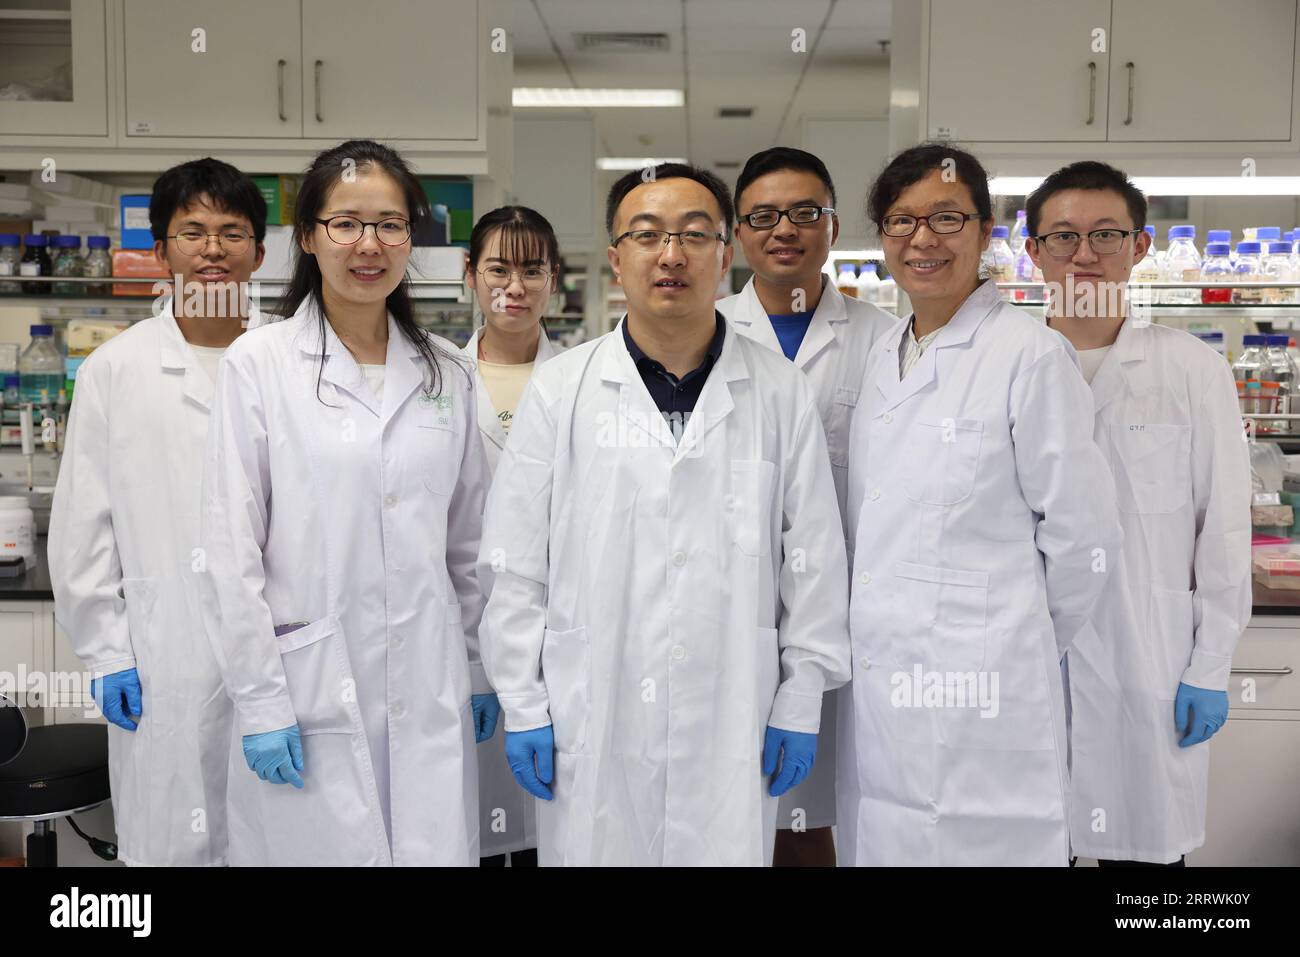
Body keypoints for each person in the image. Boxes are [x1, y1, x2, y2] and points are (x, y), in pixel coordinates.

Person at [477, 163, 851, 866]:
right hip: (593, 711)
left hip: (732, 713)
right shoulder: (562, 390)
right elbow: (515, 564)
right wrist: (524, 704)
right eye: (647, 235)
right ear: (617, 258)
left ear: (724, 252)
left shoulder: (778, 392)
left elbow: (815, 561)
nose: (671, 254)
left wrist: (802, 699)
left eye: (693, 234)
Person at [199, 139, 491, 866]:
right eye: (346, 223)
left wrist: (482, 668)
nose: (370, 244)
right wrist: (264, 705)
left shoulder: (449, 373)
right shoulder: (259, 365)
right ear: (306, 236)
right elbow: (229, 551)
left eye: (391, 224)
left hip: (427, 683)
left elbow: (473, 545)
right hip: (306, 691)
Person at [837, 143, 1122, 866]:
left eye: (946, 218)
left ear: (986, 229)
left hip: (988, 699)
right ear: (881, 237)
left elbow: (1084, 542)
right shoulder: (884, 356)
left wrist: (1009, 639)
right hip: (883, 692)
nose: (922, 239)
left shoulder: (1028, 356)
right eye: (901, 221)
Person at [1025, 161, 1251, 866]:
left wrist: (1211, 665)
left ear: (1141, 245)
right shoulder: (1010, 364)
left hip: (1148, 662)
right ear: (1031, 250)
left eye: (1105, 234)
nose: (1084, 254)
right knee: (1032, 846)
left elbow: (1224, 527)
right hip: (1028, 668)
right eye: (1062, 236)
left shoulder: (1190, 368)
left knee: (1146, 878)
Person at [48, 157, 267, 866]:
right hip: (162, 650)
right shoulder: (116, 369)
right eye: (192, 231)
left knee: (281, 836)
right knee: (175, 839)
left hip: (282, 646)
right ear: (162, 250)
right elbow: (85, 521)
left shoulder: (293, 359)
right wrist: (107, 651)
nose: (212, 248)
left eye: (231, 232)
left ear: (259, 253)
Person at [718, 146, 894, 867]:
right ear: (737, 233)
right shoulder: (706, 334)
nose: (783, 228)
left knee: (823, 820)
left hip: (851, 614)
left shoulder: (886, 340)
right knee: (728, 810)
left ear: (833, 224)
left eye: (803, 212)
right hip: (731, 610)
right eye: (762, 215)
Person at [462, 205, 564, 866]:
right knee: (463, 829)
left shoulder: (584, 381)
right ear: (470, 274)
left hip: (555, 639)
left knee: (546, 835)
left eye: (532, 269)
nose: (515, 286)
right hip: (455, 635)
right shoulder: (433, 378)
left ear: (554, 279)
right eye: (499, 267)